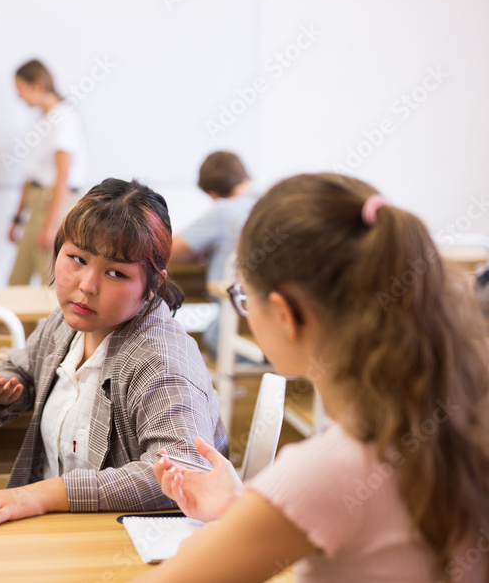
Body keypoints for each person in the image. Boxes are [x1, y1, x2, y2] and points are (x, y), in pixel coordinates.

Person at [138, 174, 489, 582]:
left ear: (284, 314)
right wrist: (241, 509)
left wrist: (202, 545)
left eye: (244, 296)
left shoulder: (331, 467)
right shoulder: (460, 419)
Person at [0, 178, 228, 530]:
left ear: (153, 284)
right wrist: (8, 384)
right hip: (63, 529)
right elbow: (24, 366)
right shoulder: (67, 323)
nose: (87, 285)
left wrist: (43, 494)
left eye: (115, 273)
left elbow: (184, 471)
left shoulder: (162, 359)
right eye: (77, 259)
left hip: (124, 543)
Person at [8, 59, 89, 286]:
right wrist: (17, 218)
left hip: (53, 203)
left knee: (49, 280)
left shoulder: (63, 118)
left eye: (20, 89)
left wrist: (51, 226)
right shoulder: (41, 120)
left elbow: (63, 175)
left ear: (37, 85)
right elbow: (30, 176)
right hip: (37, 203)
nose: (19, 96)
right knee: (18, 279)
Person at [169, 151, 256, 355]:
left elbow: (166, 250)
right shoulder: (272, 204)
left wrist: (202, 250)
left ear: (212, 194)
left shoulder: (224, 211)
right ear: (248, 176)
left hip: (236, 324)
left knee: (210, 337)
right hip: (275, 321)